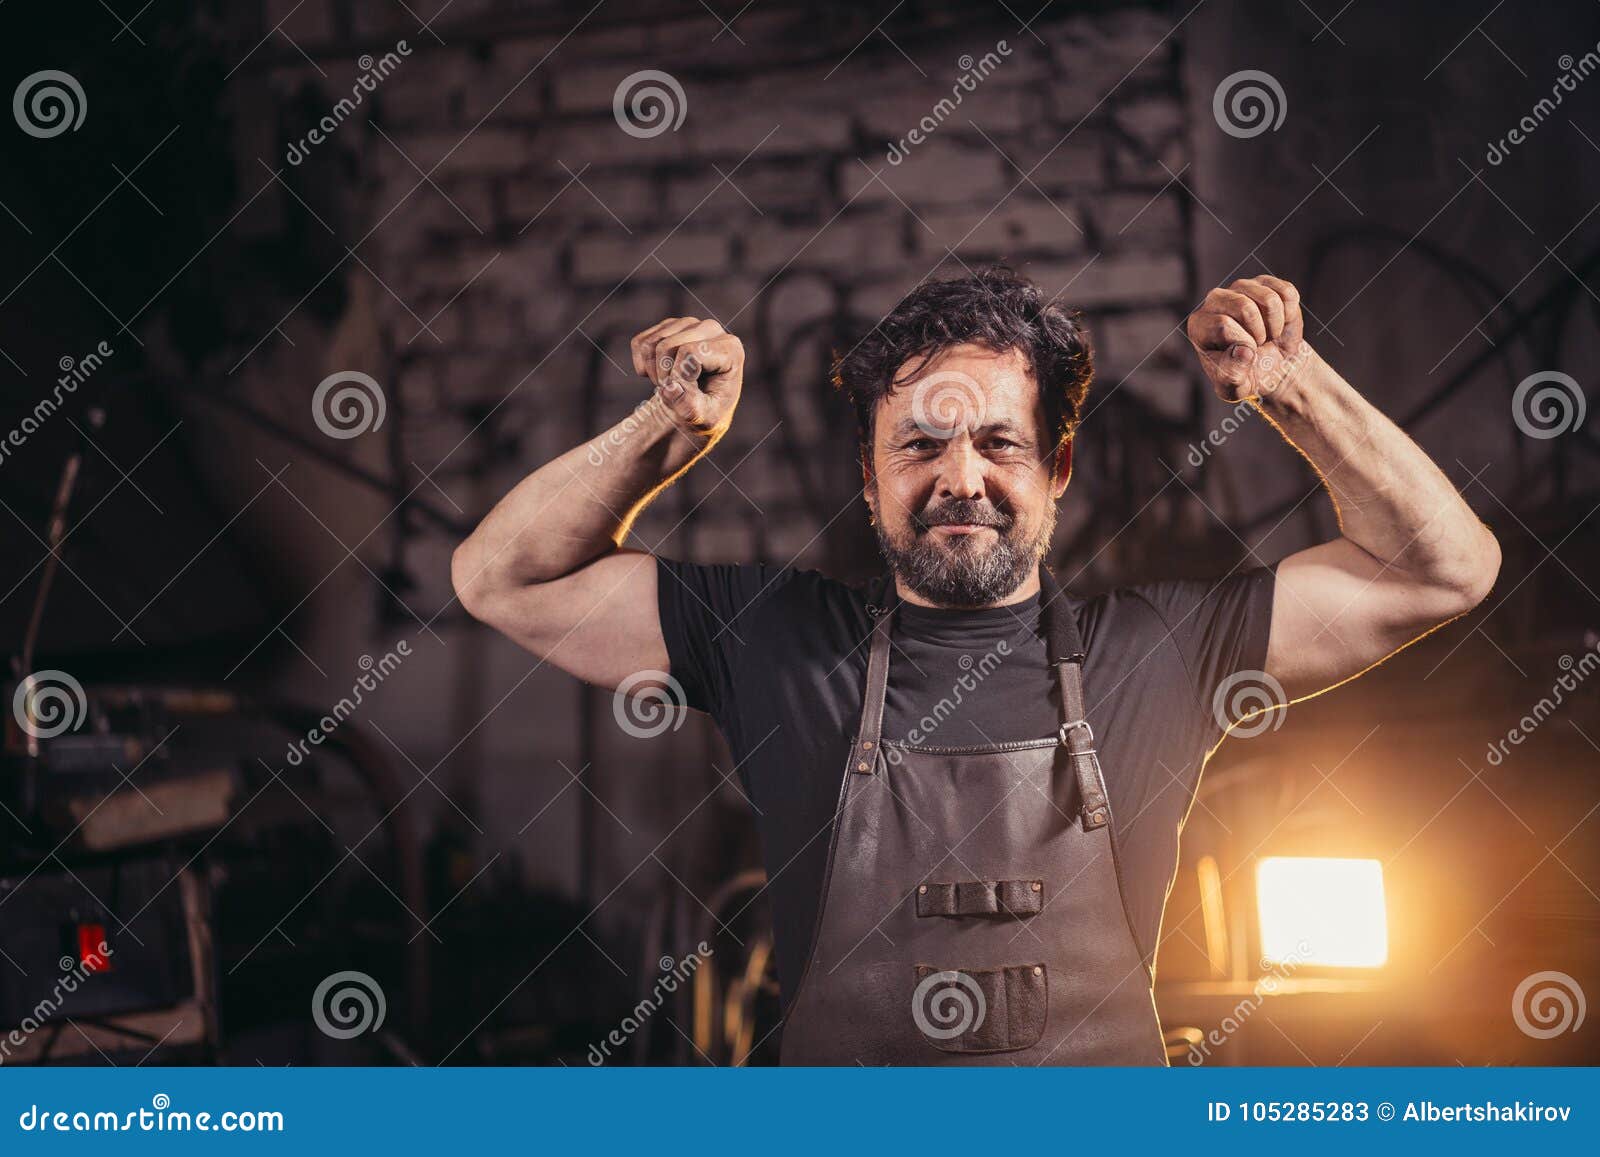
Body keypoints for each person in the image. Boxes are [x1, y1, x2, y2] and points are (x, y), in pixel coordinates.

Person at [451, 267, 1500, 1064]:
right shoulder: (770, 638)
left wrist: (1288, 384)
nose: (962, 479)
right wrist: (663, 428)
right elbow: (503, 578)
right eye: (918, 447)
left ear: (1057, 468)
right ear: (868, 477)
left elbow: (1441, 570)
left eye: (999, 442)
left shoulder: (1166, 649)